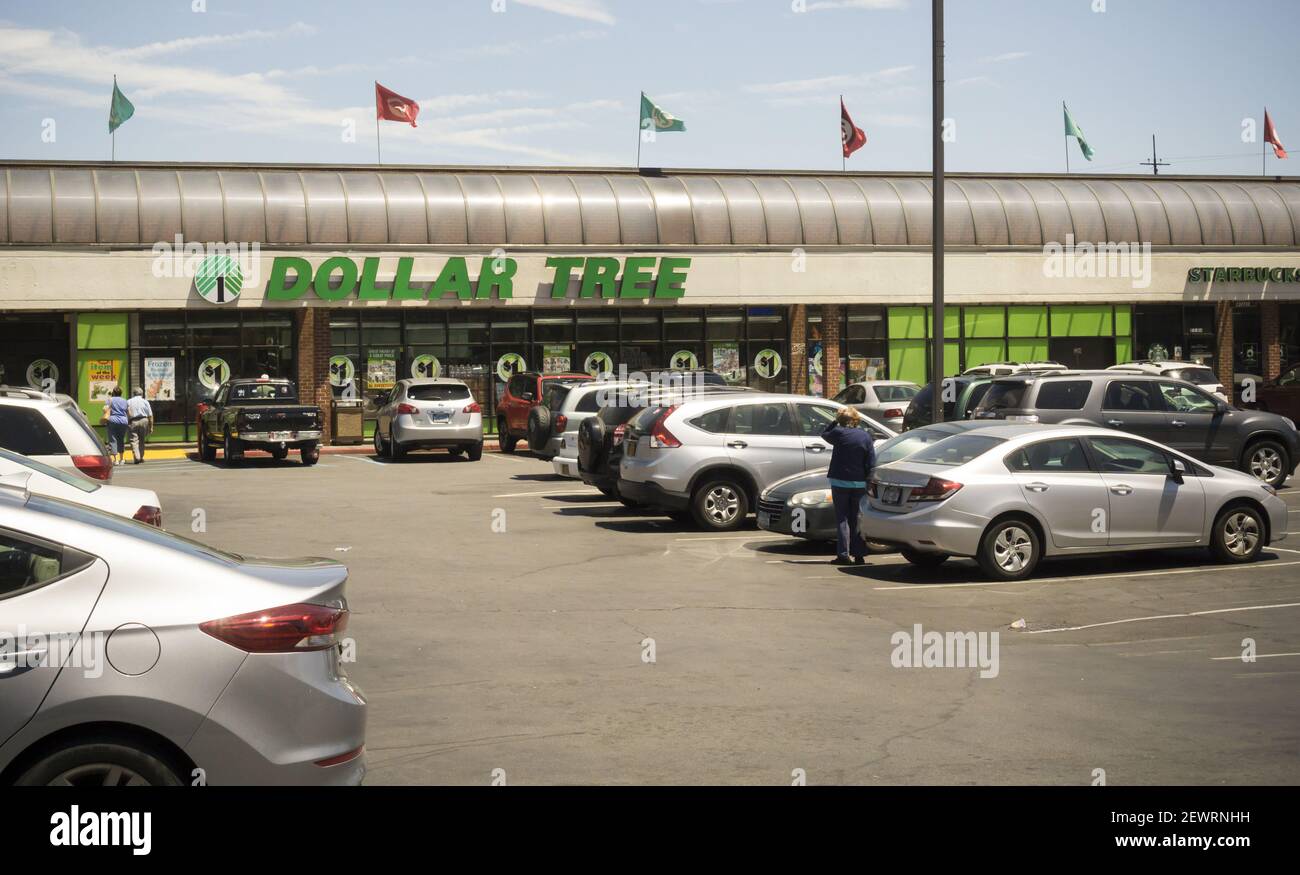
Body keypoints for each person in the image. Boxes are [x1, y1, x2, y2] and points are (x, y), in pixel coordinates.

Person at [820, 406, 877, 566]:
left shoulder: (838, 433)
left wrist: (834, 421)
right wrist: (868, 480)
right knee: (857, 519)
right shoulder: (865, 437)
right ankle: (859, 554)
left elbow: (824, 433)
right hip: (859, 483)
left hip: (839, 481)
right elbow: (871, 462)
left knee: (842, 519)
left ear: (841, 420)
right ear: (856, 420)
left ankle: (843, 554)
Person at [126, 386, 154, 464]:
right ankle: (141, 457)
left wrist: (128, 421)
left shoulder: (129, 401)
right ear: (141, 393)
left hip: (133, 421)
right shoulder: (145, 402)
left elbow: (127, 413)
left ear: (133, 393)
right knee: (142, 439)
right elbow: (150, 415)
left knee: (134, 440)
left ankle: (137, 457)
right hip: (144, 420)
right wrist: (151, 426)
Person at [105, 386, 130, 466]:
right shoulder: (125, 401)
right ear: (121, 393)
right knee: (121, 439)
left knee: (113, 440)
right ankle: (122, 459)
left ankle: (115, 460)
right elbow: (128, 412)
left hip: (113, 420)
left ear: (113, 392)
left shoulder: (110, 400)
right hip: (123, 421)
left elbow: (105, 409)